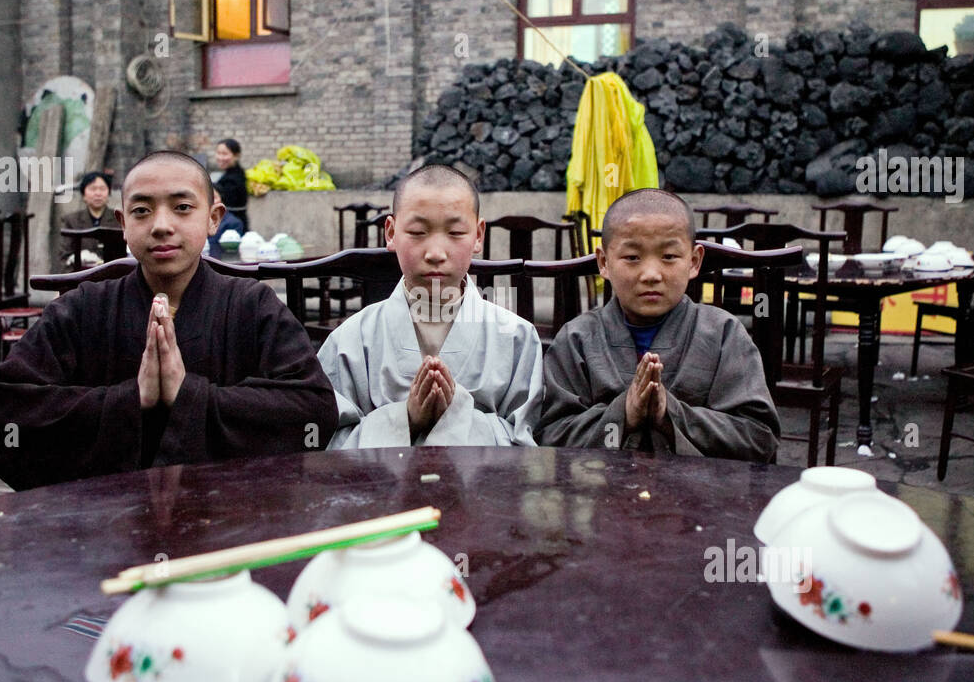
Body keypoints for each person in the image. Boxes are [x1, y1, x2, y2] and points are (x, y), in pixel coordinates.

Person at [0, 150, 337, 490]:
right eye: (142, 211)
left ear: (213, 218)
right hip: (101, 530)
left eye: (181, 207)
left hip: (226, 523)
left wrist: (188, 395)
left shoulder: (252, 306)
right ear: (123, 224)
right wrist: (133, 399)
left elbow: (313, 414)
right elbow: (0, 422)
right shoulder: (82, 309)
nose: (161, 225)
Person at [536, 188, 780, 461]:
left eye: (669, 257)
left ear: (694, 261)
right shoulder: (577, 339)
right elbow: (549, 437)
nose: (651, 274)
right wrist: (624, 415)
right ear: (604, 262)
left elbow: (760, 438)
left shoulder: (724, 334)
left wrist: (669, 414)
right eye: (632, 257)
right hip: (603, 496)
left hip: (700, 498)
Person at [318, 164, 543, 447]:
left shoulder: (517, 337)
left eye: (456, 232)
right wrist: (406, 419)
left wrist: (454, 414)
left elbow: (525, 445)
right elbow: (329, 444)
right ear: (390, 232)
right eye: (417, 232)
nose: (435, 253)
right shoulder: (350, 340)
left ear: (478, 235)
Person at [57, 170, 121, 270]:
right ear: (83, 194)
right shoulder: (71, 220)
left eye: (102, 189)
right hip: (82, 278)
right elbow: (65, 257)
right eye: (93, 189)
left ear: (108, 193)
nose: (98, 193)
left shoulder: (119, 218)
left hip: (114, 278)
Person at [213, 139, 249, 230]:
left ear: (236, 156)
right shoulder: (233, 173)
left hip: (232, 227)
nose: (220, 157)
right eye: (218, 153)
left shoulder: (234, 179)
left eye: (224, 154)